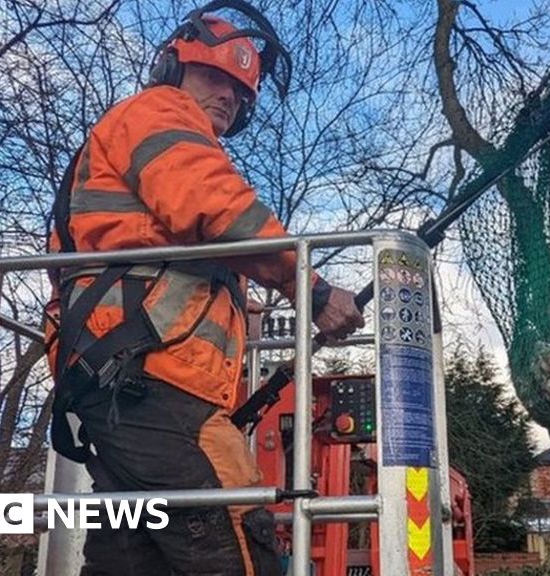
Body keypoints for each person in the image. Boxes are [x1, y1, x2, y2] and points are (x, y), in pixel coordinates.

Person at [43, 3, 364, 574]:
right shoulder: (160, 114)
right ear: (173, 69)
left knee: (131, 558)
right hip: (149, 378)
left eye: (240, 94)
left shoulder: (150, 133)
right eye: (214, 77)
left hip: (119, 376)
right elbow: (216, 209)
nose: (228, 97)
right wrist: (309, 289)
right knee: (237, 534)